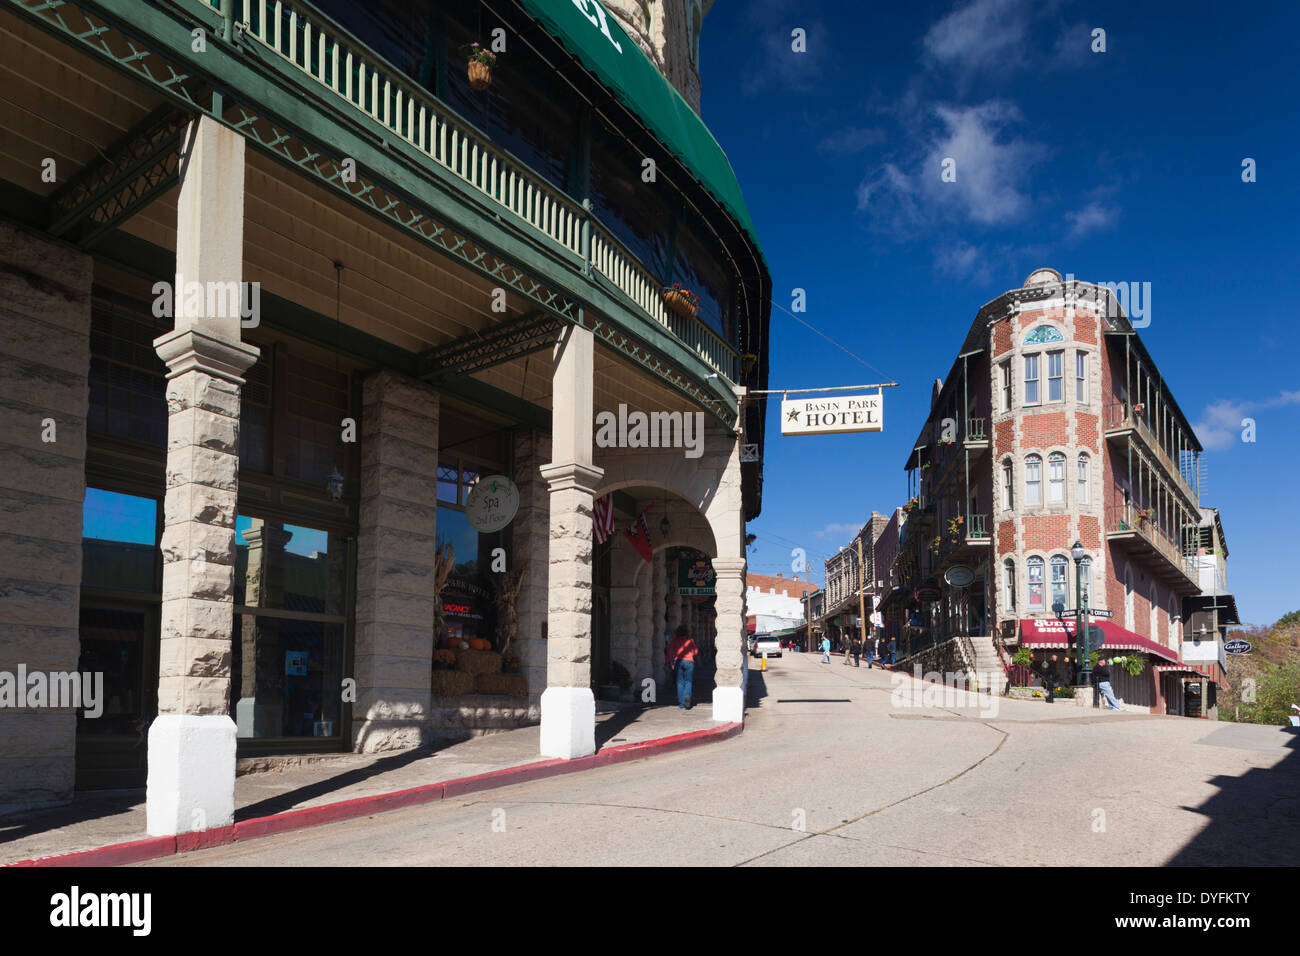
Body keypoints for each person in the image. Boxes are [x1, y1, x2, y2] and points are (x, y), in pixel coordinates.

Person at [666, 624, 697, 710]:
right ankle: (687, 696)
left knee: (679, 682)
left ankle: (681, 703)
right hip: (689, 662)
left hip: (678, 661)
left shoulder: (675, 641)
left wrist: (671, 662)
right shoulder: (690, 640)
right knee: (688, 681)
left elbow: (670, 651)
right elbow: (695, 652)